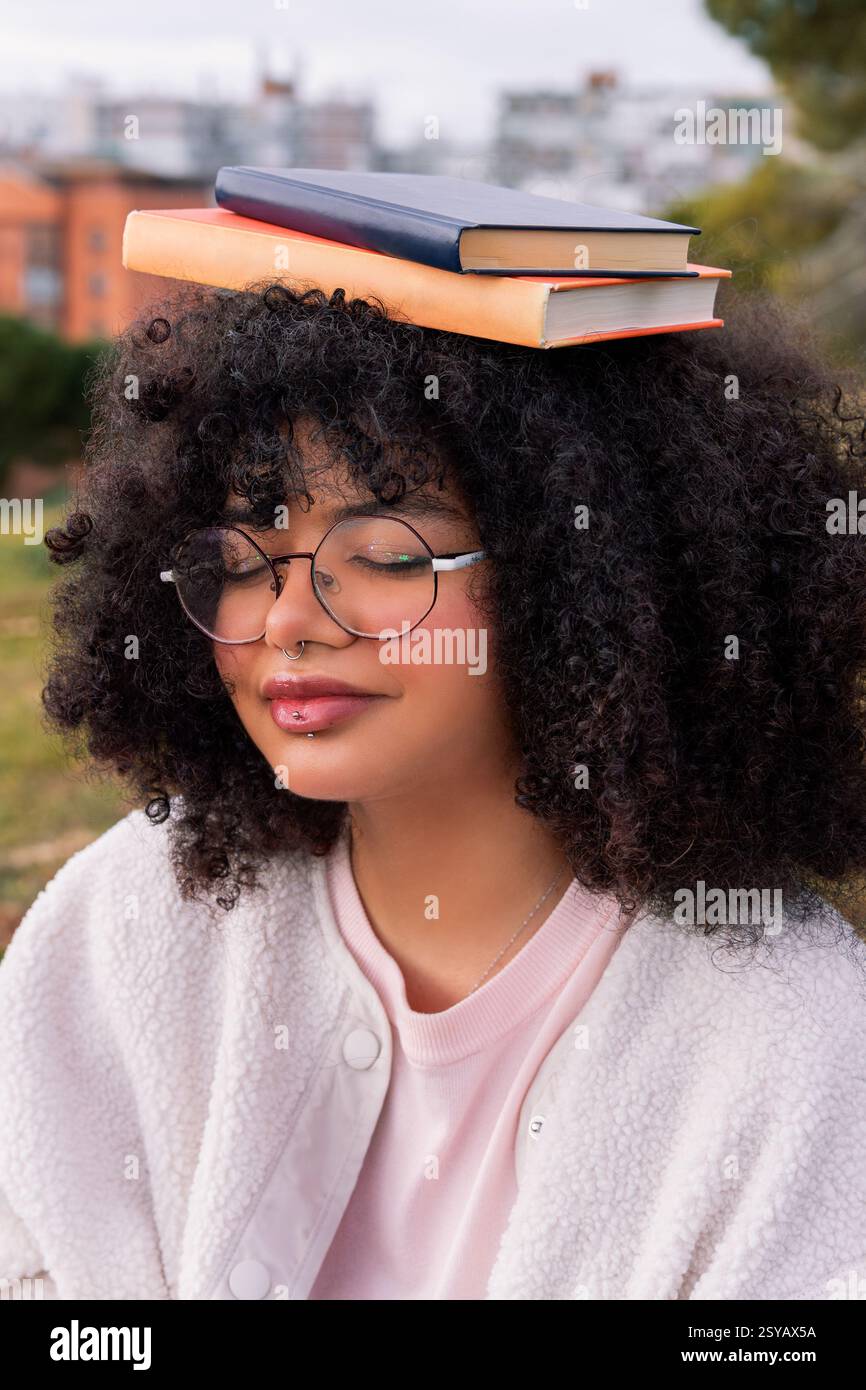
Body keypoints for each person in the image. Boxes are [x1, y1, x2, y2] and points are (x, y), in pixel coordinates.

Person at [1, 279, 866, 1301]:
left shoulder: (789, 1039)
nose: (288, 618)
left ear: (584, 577)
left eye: (379, 553)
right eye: (240, 556)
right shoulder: (130, 922)